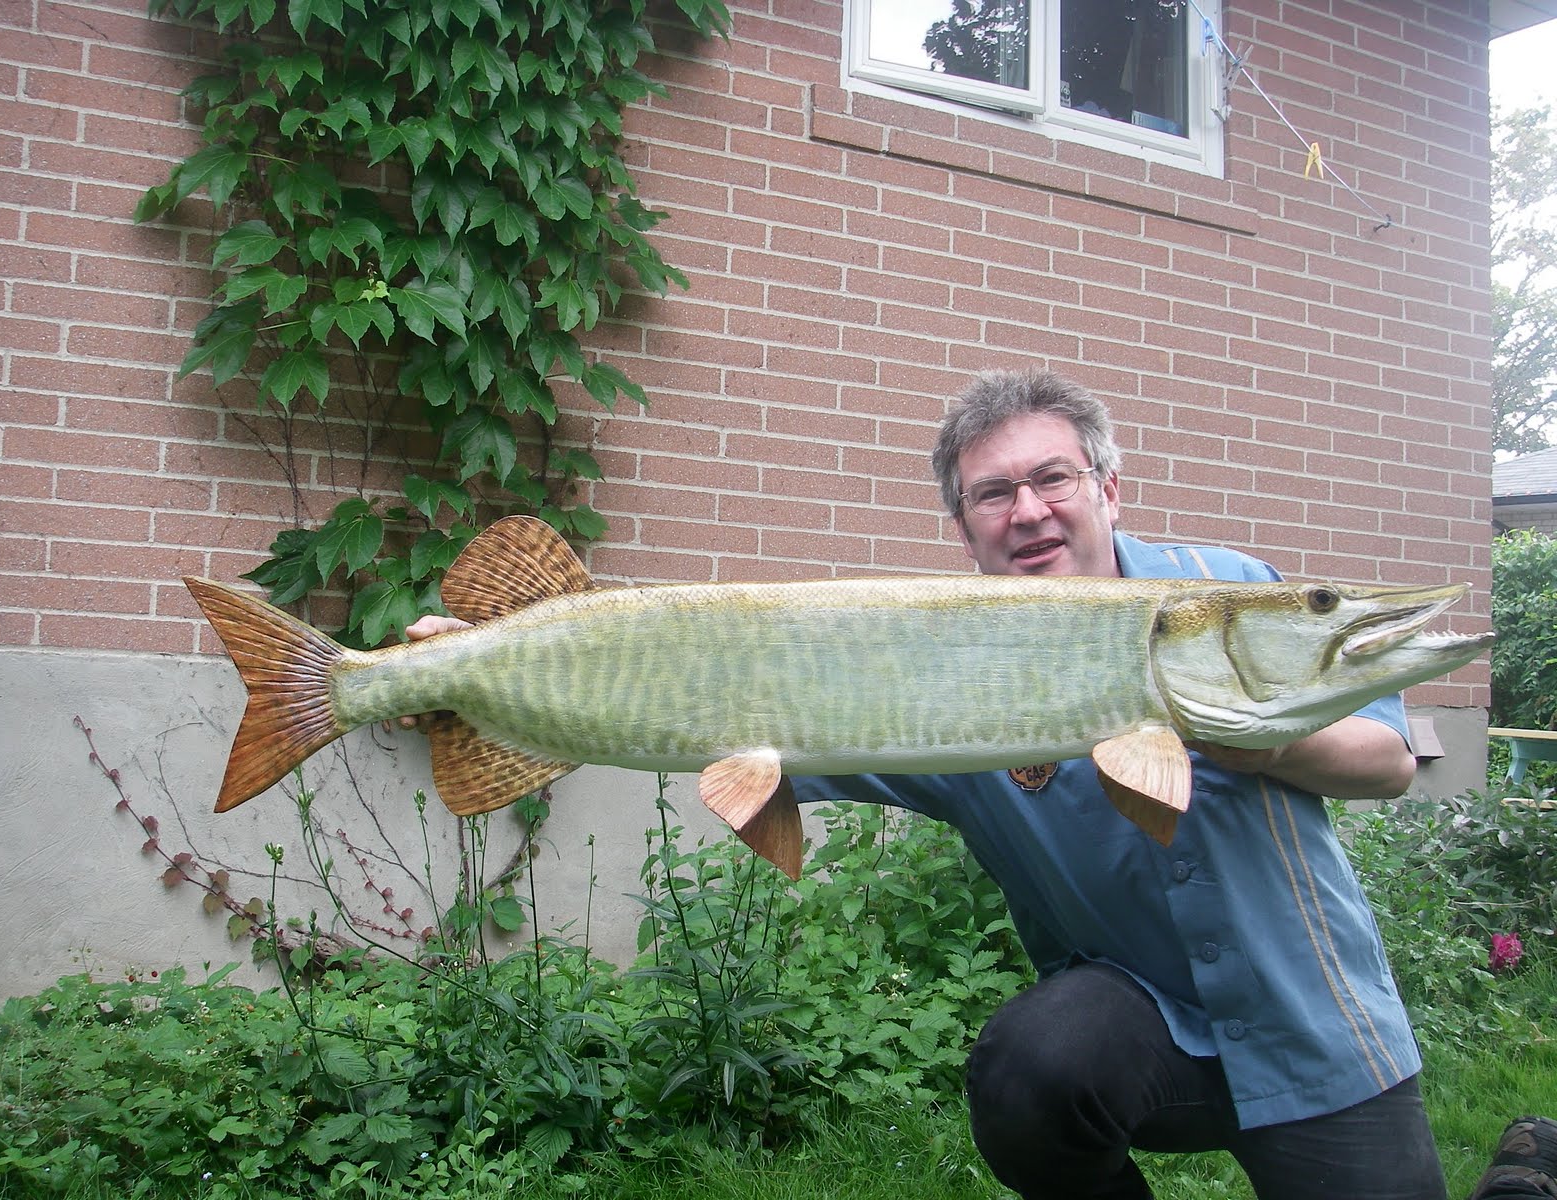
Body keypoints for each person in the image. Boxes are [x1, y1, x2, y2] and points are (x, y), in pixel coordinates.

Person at [404, 368, 1556, 1199]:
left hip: (1314, 1024)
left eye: (1052, 478)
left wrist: (1239, 737)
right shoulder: (928, 677)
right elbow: (748, 746)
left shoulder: (1230, 589)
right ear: (962, 531)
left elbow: (1384, 761)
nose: (1029, 511)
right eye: (992, 496)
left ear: (1111, 487)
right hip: (1138, 1028)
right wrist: (484, 670)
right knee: (1026, 1069)